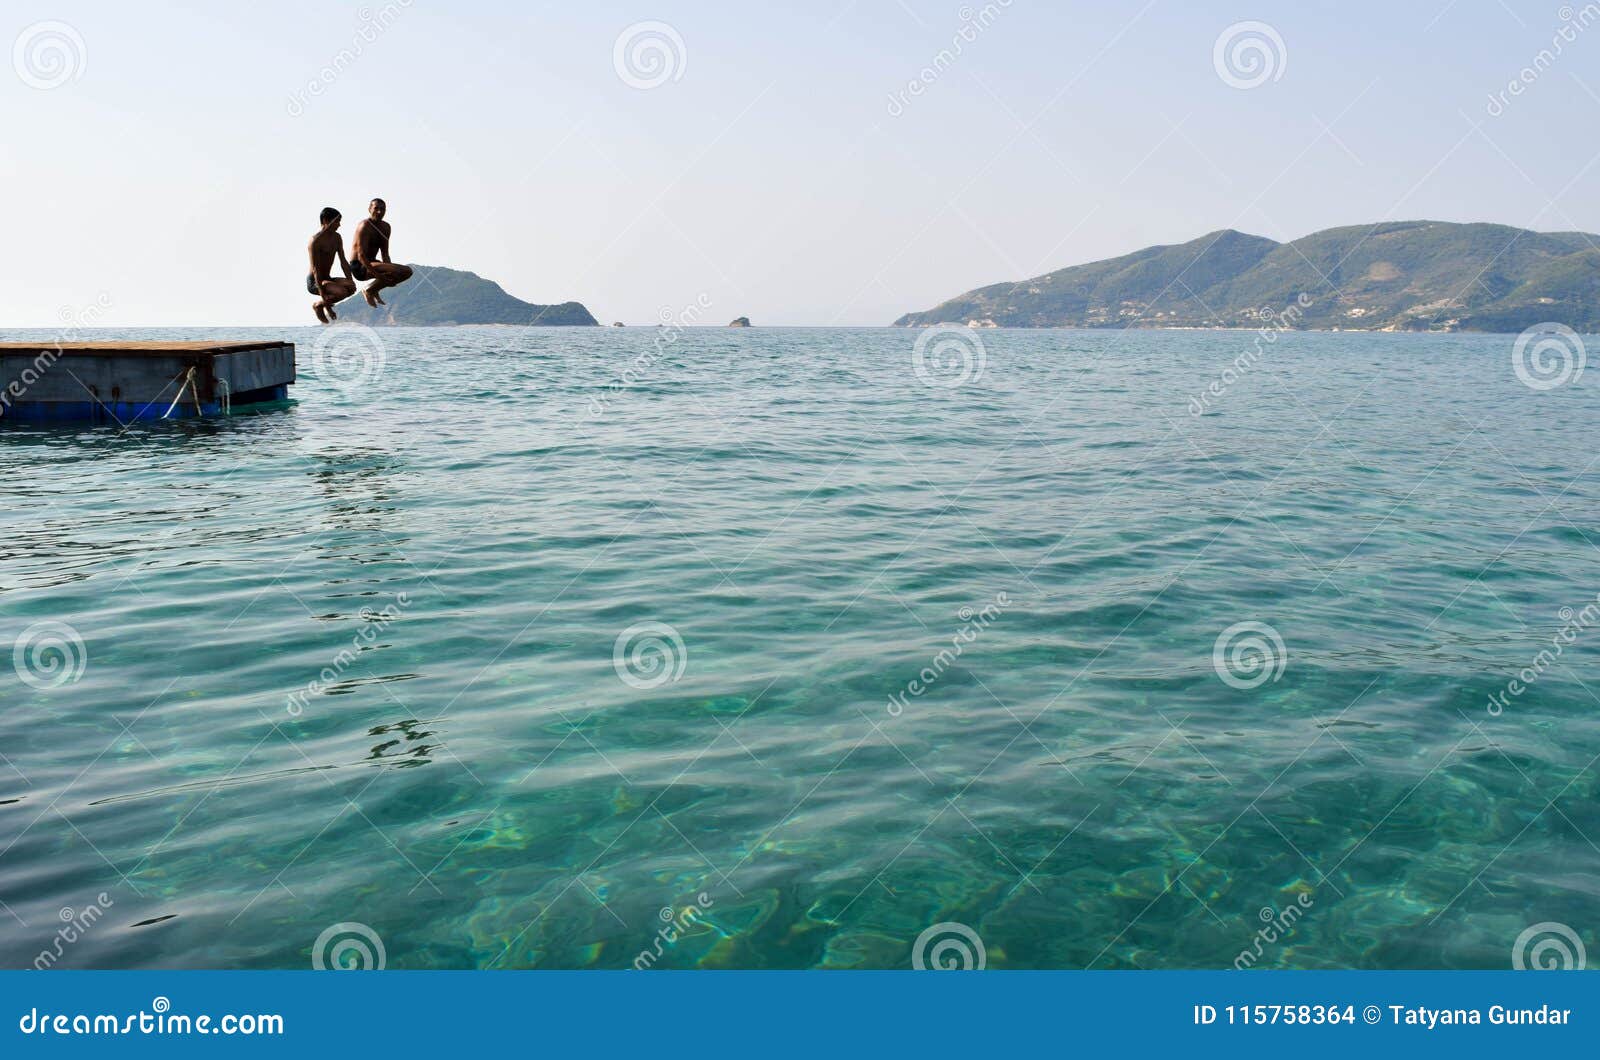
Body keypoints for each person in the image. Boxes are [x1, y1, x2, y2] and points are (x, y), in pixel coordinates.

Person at [350, 198, 414, 307]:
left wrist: (392, 274)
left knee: (407, 272)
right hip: (359, 266)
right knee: (398, 271)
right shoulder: (364, 226)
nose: (379, 212)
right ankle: (369, 290)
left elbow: (385, 253)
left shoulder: (386, 227)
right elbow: (361, 256)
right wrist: (380, 277)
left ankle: (372, 289)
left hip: (374, 262)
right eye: (376, 209)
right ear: (369, 209)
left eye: (382, 209)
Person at [307, 207, 357, 324]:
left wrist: (351, 282)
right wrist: (328, 307)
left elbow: (343, 261)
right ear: (325, 220)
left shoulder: (337, 238)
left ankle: (321, 304)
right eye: (337, 221)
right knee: (342, 292)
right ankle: (318, 306)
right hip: (315, 281)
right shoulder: (315, 241)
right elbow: (315, 270)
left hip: (327, 278)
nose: (339, 225)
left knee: (351, 287)